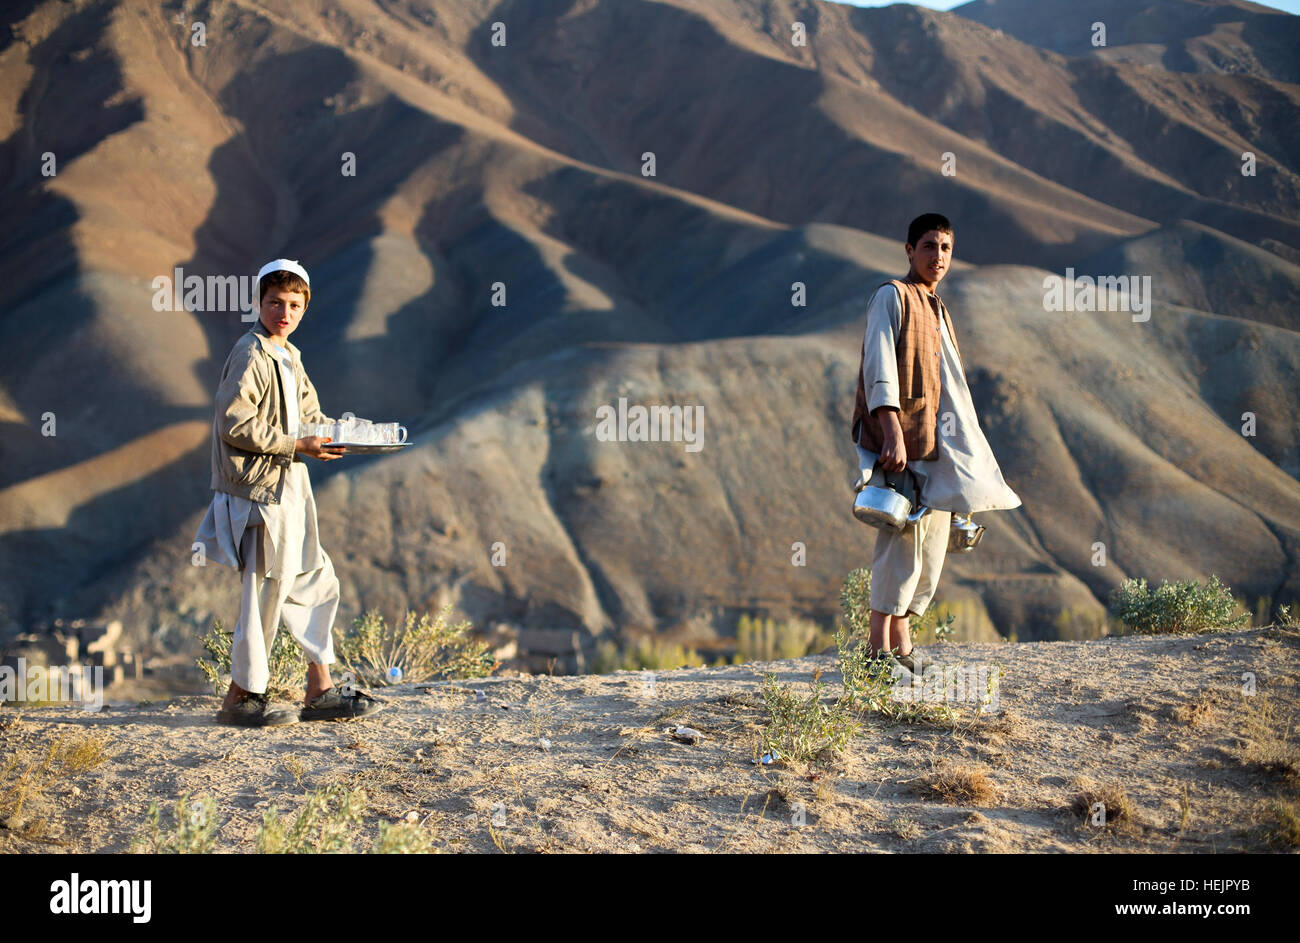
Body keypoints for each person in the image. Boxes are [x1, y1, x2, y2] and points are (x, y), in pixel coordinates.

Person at [194, 258, 383, 726]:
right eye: (276, 302)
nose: (285, 312)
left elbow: (309, 416)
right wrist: (297, 444)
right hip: (258, 493)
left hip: (291, 487)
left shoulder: (289, 356)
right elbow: (233, 422)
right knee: (265, 594)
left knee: (316, 581)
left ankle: (319, 691)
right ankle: (240, 699)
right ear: (259, 302)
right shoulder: (251, 353)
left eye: (294, 304)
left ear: (304, 308)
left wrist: (348, 437)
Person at [850, 214, 1022, 674]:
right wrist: (891, 434)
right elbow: (879, 367)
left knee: (932, 547)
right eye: (929, 246)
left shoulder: (938, 307)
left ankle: (902, 647)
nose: (938, 256)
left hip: (938, 445)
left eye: (946, 247)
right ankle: (875, 653)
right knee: (899, 542)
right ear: (909, 250)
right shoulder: (894, 296)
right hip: (903, 444)